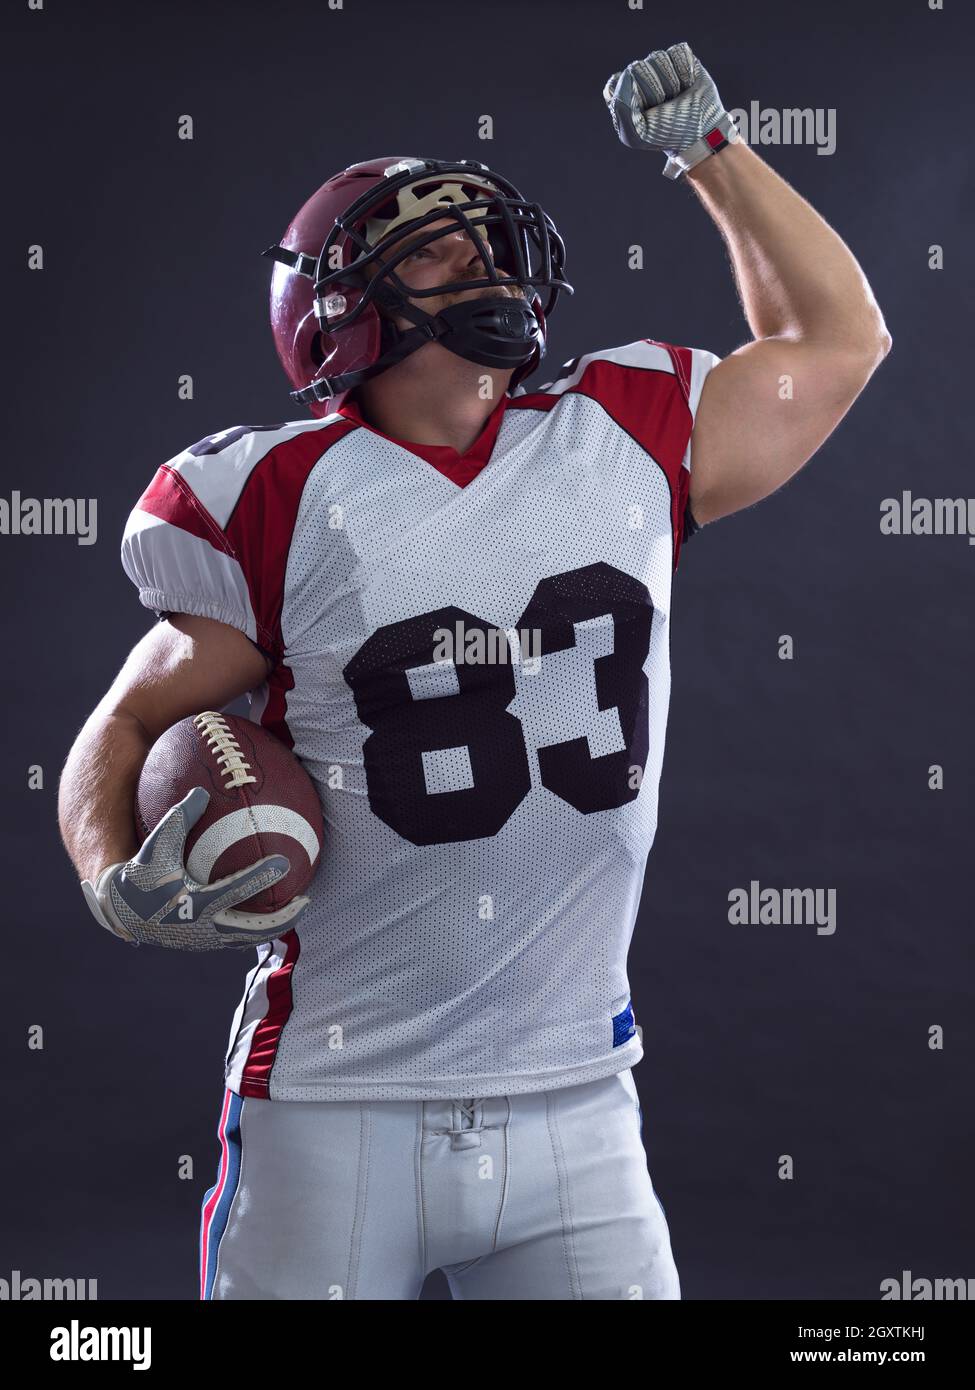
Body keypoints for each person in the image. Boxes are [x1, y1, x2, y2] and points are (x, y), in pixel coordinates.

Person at [57, 44, 890, 1300]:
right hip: (334, 1099)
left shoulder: (628, 431)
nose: (486, 260)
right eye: (439, 246)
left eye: (490, 236)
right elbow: (123, 721)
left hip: (580, 1100)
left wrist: (710, 150)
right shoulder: (271, 495)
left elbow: (838, 339)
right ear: (342, 304)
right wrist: (107, 872)